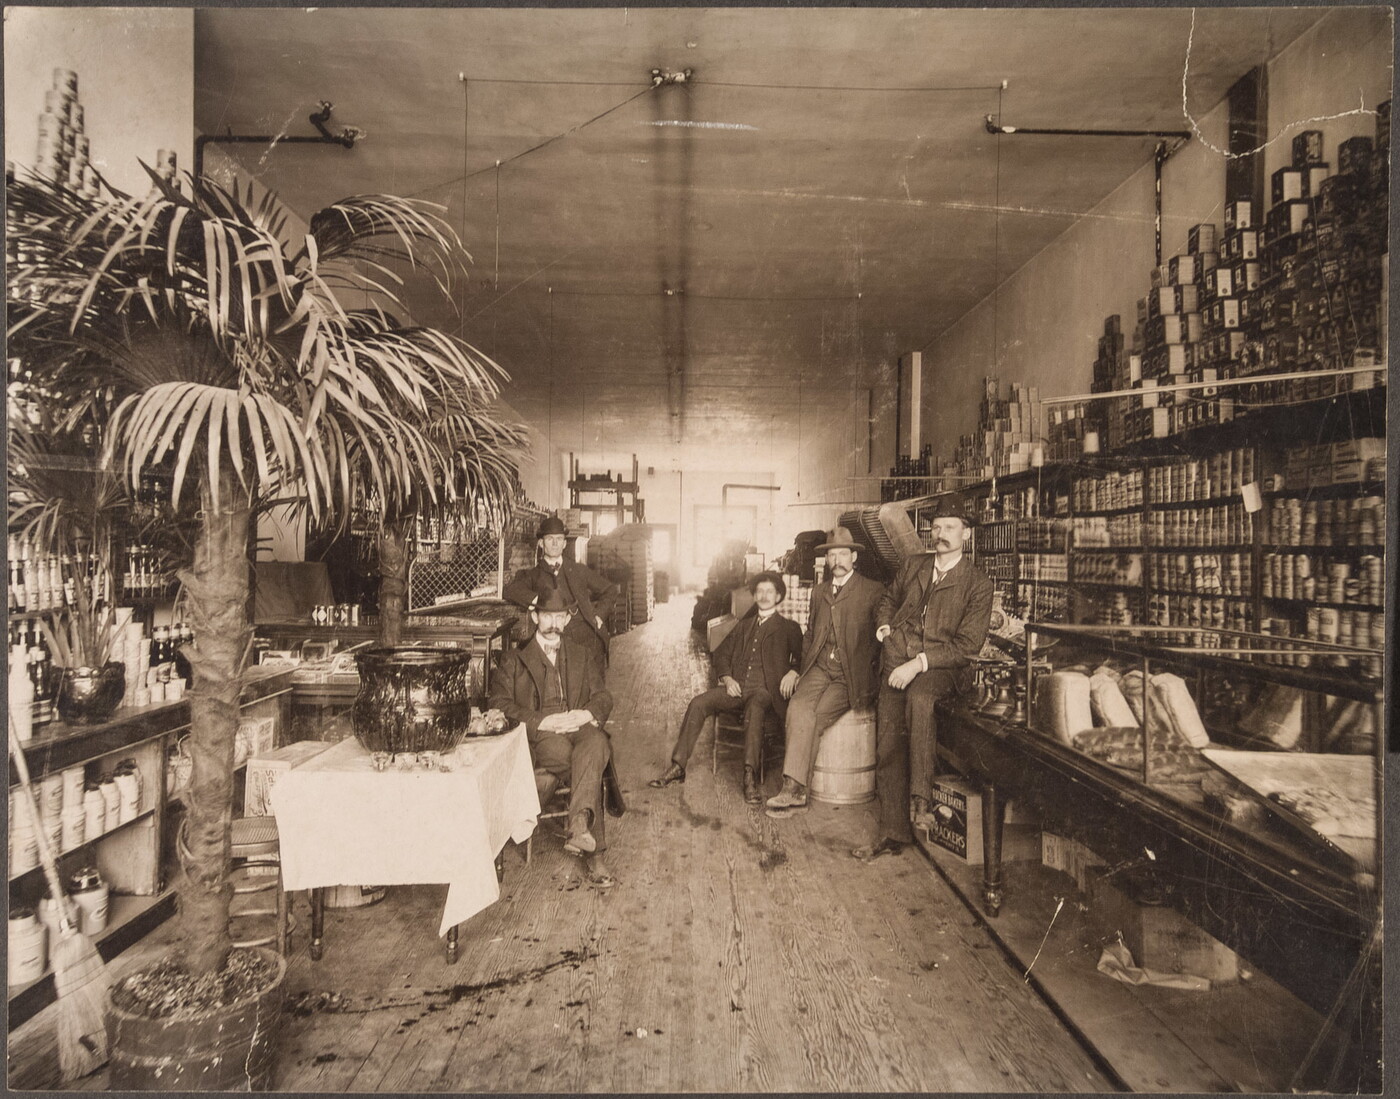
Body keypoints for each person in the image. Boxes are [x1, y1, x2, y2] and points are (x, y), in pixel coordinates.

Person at [856, 495, 994, 861]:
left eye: (950, 527)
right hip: (895, 656)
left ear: (967, 534)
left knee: (919, 699)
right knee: (887, 744)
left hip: (942, 668)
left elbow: (967, 647)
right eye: (936, 527)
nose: (941, 534)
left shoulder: (978, 583)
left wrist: (918, 664)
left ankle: (921, 800)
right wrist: (884, 628)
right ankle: (893, 832)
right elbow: (887, 600)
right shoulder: (914, 565)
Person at [489, 587, 617, 888]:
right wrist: (542, 721)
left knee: (597, 741)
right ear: (535, 617)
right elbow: (498, 703)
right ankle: (593, 850)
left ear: (567, 619)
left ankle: (578, 825)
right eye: (548, 616)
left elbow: (603, 696)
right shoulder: (515, 658)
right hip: (543, 735)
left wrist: (585, 714)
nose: (554, 624)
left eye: (560, 617)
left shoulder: (582, 654)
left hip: (578, 726)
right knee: (591, 764)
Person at [649, 571, 803, 804]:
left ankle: (749, 776)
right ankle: (678, 765)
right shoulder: (744, 625)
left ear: (778, 596)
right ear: (754, 596)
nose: (764, 596)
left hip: (766, 692)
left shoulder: (788, 628)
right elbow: (721, 654)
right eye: (760, 592)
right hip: (737, 689)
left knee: (756, 708)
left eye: (769, 592)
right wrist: (728, 679)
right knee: (698, 703)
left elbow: (802, 658)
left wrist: (793, 671)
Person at [765, 527, 884, 817]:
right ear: (826, 560)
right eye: (832, 555)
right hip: (819, 667)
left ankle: (796, 790)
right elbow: (809, 635)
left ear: (854, 557)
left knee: (817, 715)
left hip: (849, 675)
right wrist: (798, 670)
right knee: (797, 707)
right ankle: (791, 788)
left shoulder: (872, 591)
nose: (837, 560)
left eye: (843, 554)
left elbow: (881, 634)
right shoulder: (819, 592)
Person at [504, 515, 618, 668]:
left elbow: (610, 589)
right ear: (541, 543)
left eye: (559, 539)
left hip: (586, 635)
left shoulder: (578, 570)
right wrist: (538, 600)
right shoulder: (533, 575)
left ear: (564, 544)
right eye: (550, 539)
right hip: (552, 635)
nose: (555, 543)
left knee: (591, 678)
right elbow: (510, 590)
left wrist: (599, 615)